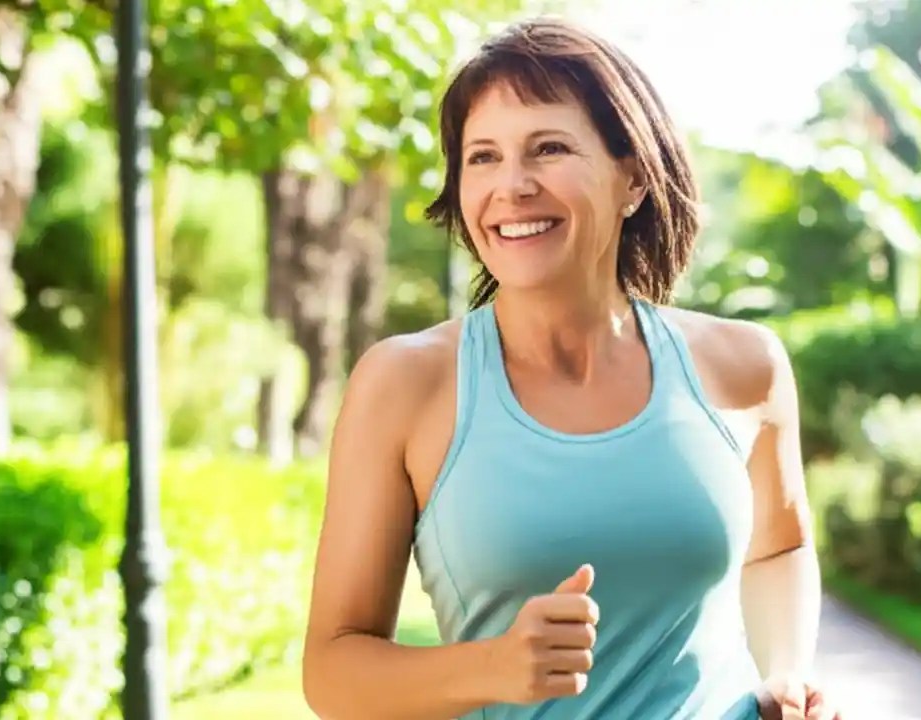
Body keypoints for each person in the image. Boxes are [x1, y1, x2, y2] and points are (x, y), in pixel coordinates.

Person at [301, 16, 840, 720]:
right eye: (483, 157)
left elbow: (779, 547)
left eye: (548, 148)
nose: (512, 185)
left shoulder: (744, 366)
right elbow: (332, 672)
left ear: (633, 179)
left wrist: (788, 672)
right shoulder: (405, 384)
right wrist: (490, 667)